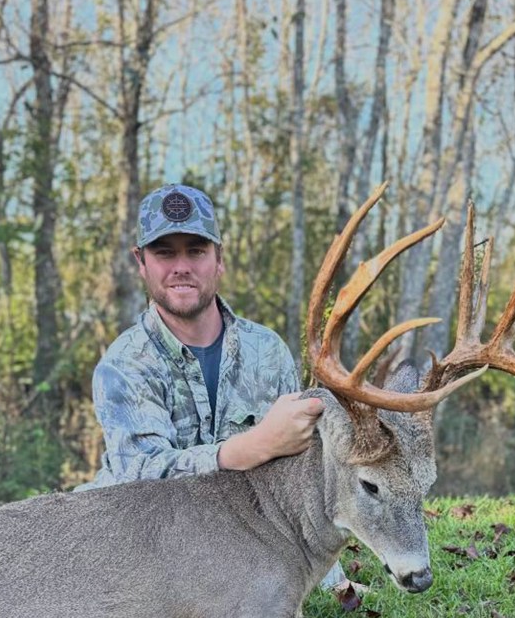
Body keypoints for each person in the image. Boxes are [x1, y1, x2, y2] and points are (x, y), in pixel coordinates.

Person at [79, 183, 347, 590]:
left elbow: (303, 480)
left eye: (196, 251)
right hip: (147, 551)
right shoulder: (122, 366)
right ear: (141, 262)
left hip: (247, 549)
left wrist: (330, 578)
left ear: (219, 259)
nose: (181, 266)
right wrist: (254, 447)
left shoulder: (268, 352)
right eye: (164, 252)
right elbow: (142, 483)